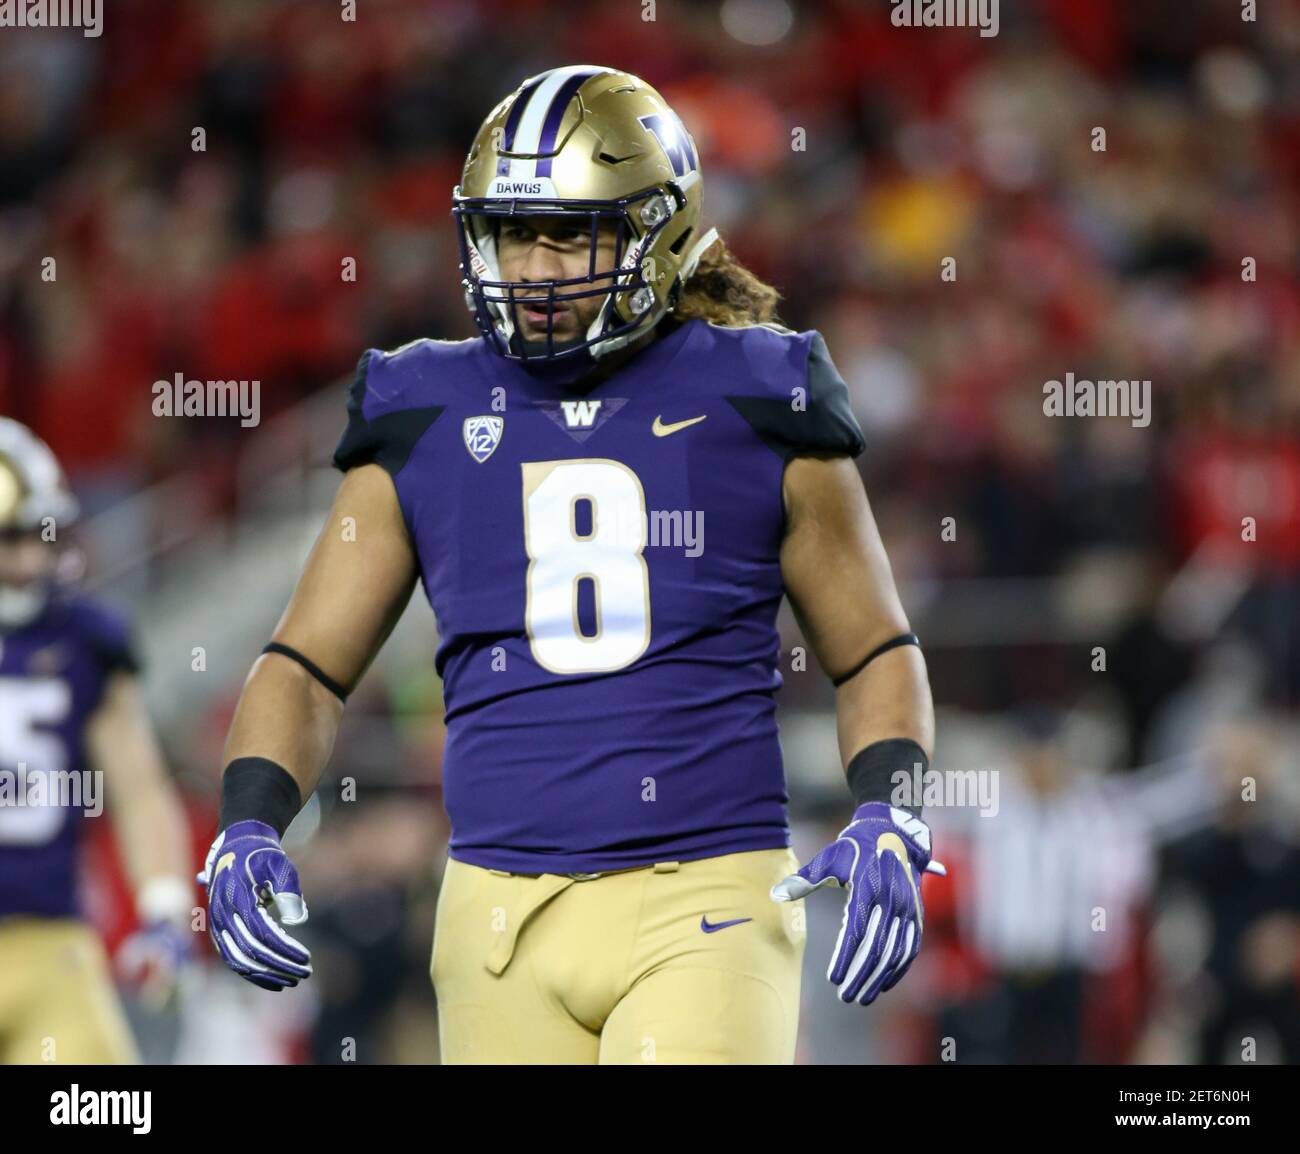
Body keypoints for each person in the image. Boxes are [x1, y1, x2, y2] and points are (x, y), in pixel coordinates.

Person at [199, 65, 942, 1064]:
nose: (537, 265)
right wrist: (250, 820)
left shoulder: (763, 388)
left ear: (656, 232)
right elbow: (306, 662)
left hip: (707, 899)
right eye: (512, 232)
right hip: (493, 915)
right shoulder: (420, 404)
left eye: (567, 232)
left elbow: (870, 648)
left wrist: (890, 805)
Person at [0, 418, 193, 1064]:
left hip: (51, 945)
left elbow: (139, 789)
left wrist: (164, 909)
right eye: (12, 539)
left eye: (38, 534)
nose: (33, 558)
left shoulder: (83, 637)